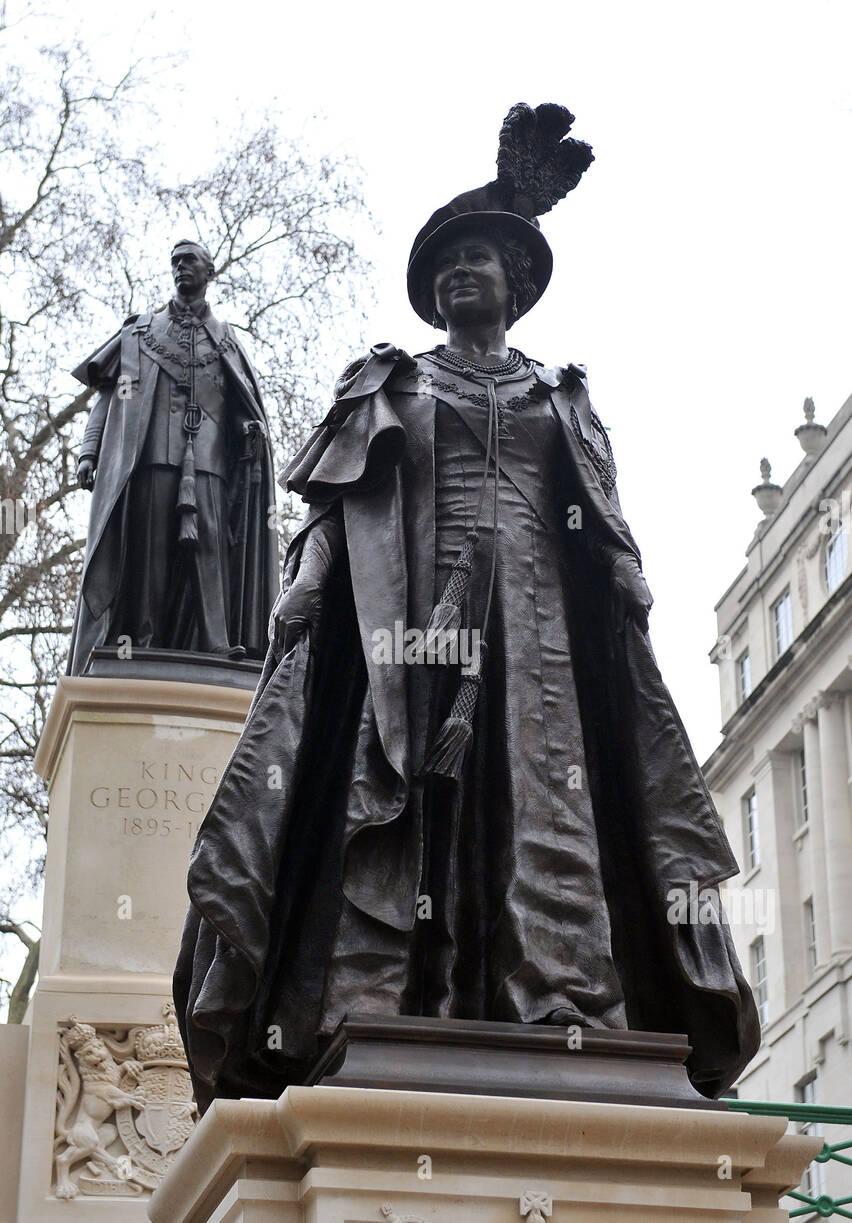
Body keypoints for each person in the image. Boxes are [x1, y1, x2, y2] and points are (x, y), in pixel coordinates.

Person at [175, 104, 759, 1112]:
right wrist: (309, 585)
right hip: (410, 627)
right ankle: (400, 998)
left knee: (543, 805)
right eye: (448, 263)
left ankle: (559, 1005)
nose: (461, 274)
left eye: (480, 259)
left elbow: (600, 515)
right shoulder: (391, 378)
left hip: (540, 638)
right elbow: (337, 504)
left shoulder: (561, 393)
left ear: (516, 286)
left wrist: (622, 570)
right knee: (409, 800)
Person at [66, 239, 279, 674]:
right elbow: (109, 399)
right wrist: (89, 452)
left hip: (210, 464)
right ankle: (142, 641)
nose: (181, 268)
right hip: (152, 459)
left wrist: (248, 430)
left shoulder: (228, 344)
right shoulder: (140, 332)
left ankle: (219, 644)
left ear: (209, 271)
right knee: (151, 552)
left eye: (190, 261)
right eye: (175, 262)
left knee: (211, 551)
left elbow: (241, 409)